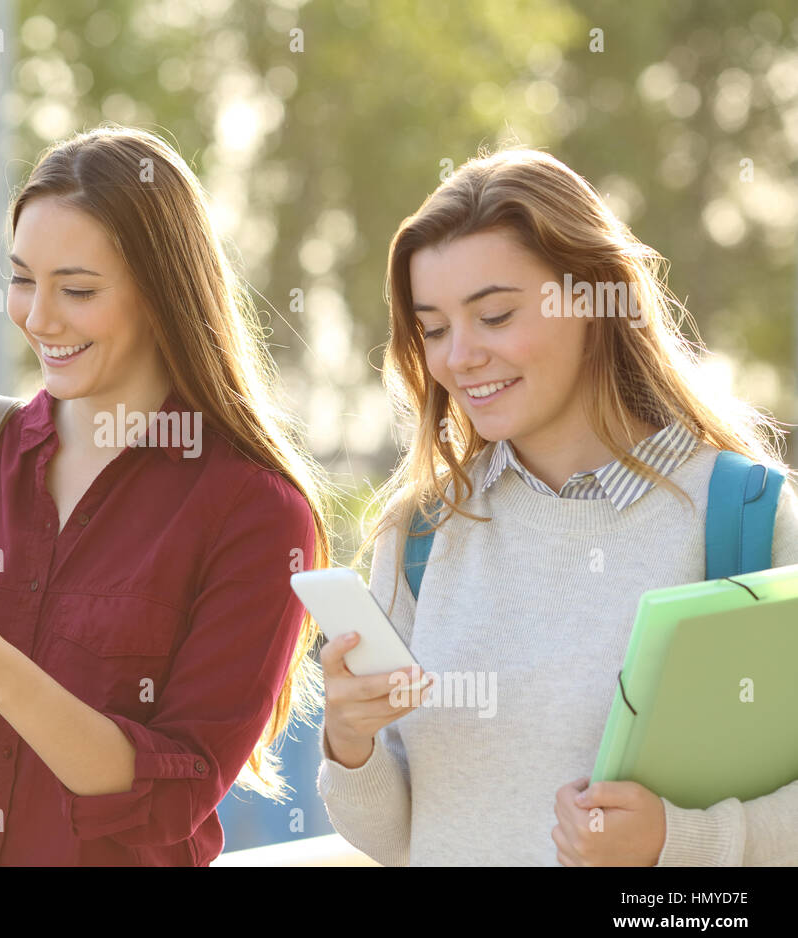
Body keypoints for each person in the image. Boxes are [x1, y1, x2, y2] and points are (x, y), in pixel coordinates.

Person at [0, 125, 332, 865]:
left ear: (161, 292)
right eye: (21, 280)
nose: (38, 318)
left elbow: (179, 790)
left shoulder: (257, 512)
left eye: (76, 290)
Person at [318, 147, 798, 866]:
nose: (460, 358)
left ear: (594, 299)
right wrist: (349, 744)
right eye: (436, 328)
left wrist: (680, 839)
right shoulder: (421, 531)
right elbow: (397, 839)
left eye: (496, 315)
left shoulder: (747, 517)